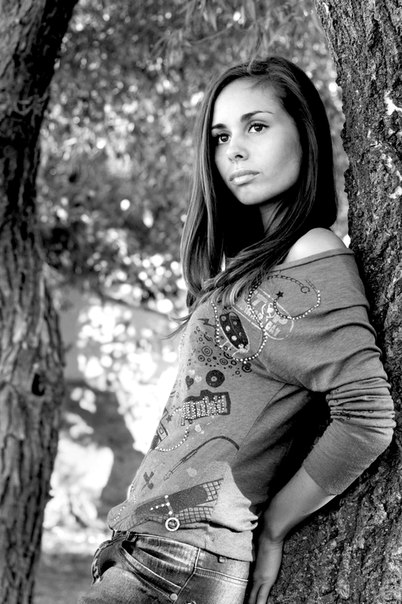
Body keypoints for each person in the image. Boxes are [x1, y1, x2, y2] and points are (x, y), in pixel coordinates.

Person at [79, 56, 395, 604]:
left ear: (305, 134)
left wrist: (274, 527)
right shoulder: (253, 264)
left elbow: (367, 417)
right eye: (222, 137)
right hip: (155, 546)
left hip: (183, 557)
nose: (234, 151)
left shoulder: (314, 253)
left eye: (257, 126)